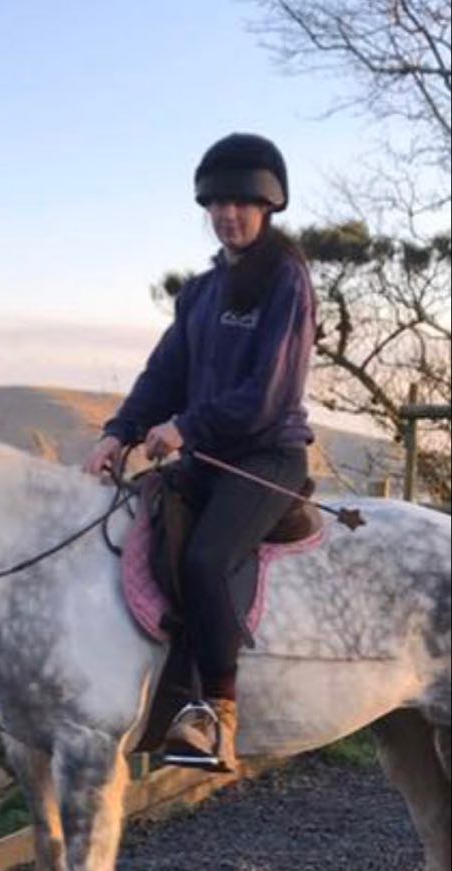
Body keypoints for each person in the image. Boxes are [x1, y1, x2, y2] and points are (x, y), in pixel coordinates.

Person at [83, 133, 316, 772]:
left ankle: (216, 714)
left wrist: (188, 426)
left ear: (268, 206)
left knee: (209, 558)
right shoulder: (202, 293)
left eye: (241, 203)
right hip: (208, 456)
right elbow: (165, 372)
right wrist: (119, 430)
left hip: (268, 458)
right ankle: (162, 703)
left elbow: (269, 393)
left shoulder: (287, 281)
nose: (227, 214)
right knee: (145, 539)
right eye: (216, 203)